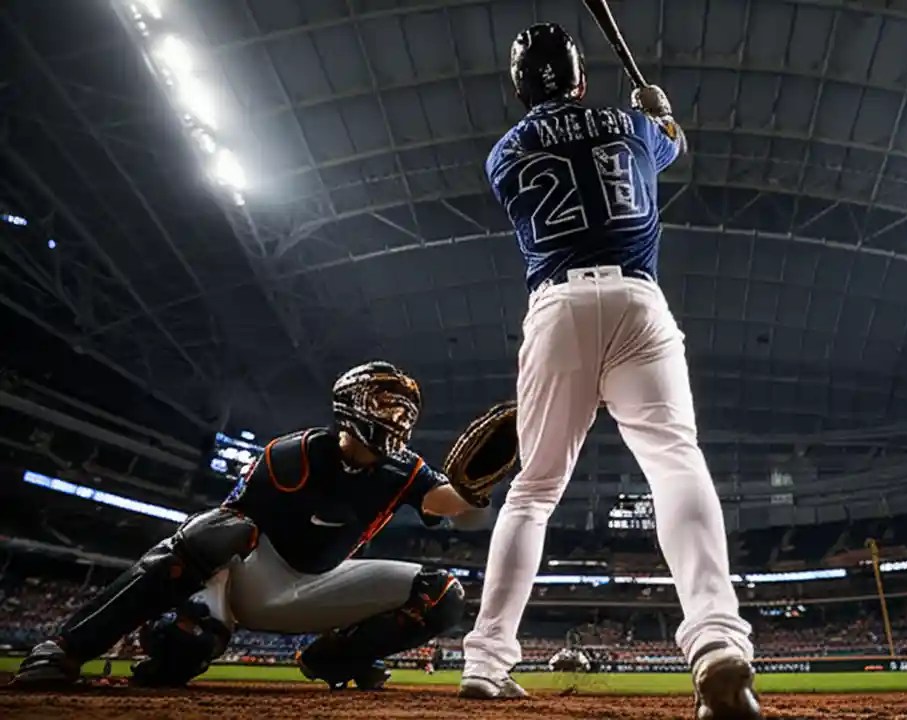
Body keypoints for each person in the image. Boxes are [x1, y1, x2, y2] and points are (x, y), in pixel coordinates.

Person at [459, 22, 760, 719]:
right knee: (676, 465)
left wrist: (638, 120)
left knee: (532, 492)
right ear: (580, 77)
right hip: (638, 303)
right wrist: (659, 112)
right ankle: (716, 641)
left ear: (519, 87)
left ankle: (486, 659)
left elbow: (568, 152)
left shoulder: (504, 153)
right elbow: (674, 145)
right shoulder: (628, 123)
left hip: (558, 304)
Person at [14, 361, 514, 690]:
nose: (397, 416)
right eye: (385, 403)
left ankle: (335, 659)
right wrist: (205, 607)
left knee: (442, 594)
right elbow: (218, 529)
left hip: (323, 581)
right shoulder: (290, 454)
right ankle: (64, 647)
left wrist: (476, 486)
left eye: (402, 407)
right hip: (253, 575)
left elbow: (448, 504)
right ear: (350, 405)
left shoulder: (403, 467)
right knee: (182, 637)